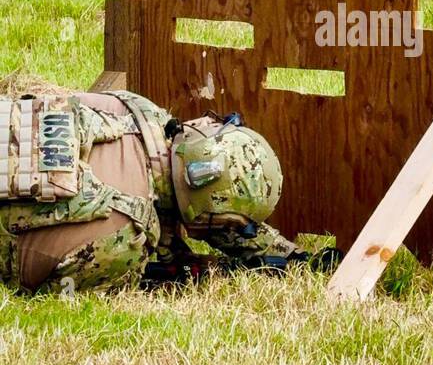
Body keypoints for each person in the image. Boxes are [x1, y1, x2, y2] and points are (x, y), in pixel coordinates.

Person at [0, 87, 330, 294]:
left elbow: (185, 184)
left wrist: (291, 257)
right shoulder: (125, 248)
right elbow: (53, 294)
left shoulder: (132, 109)